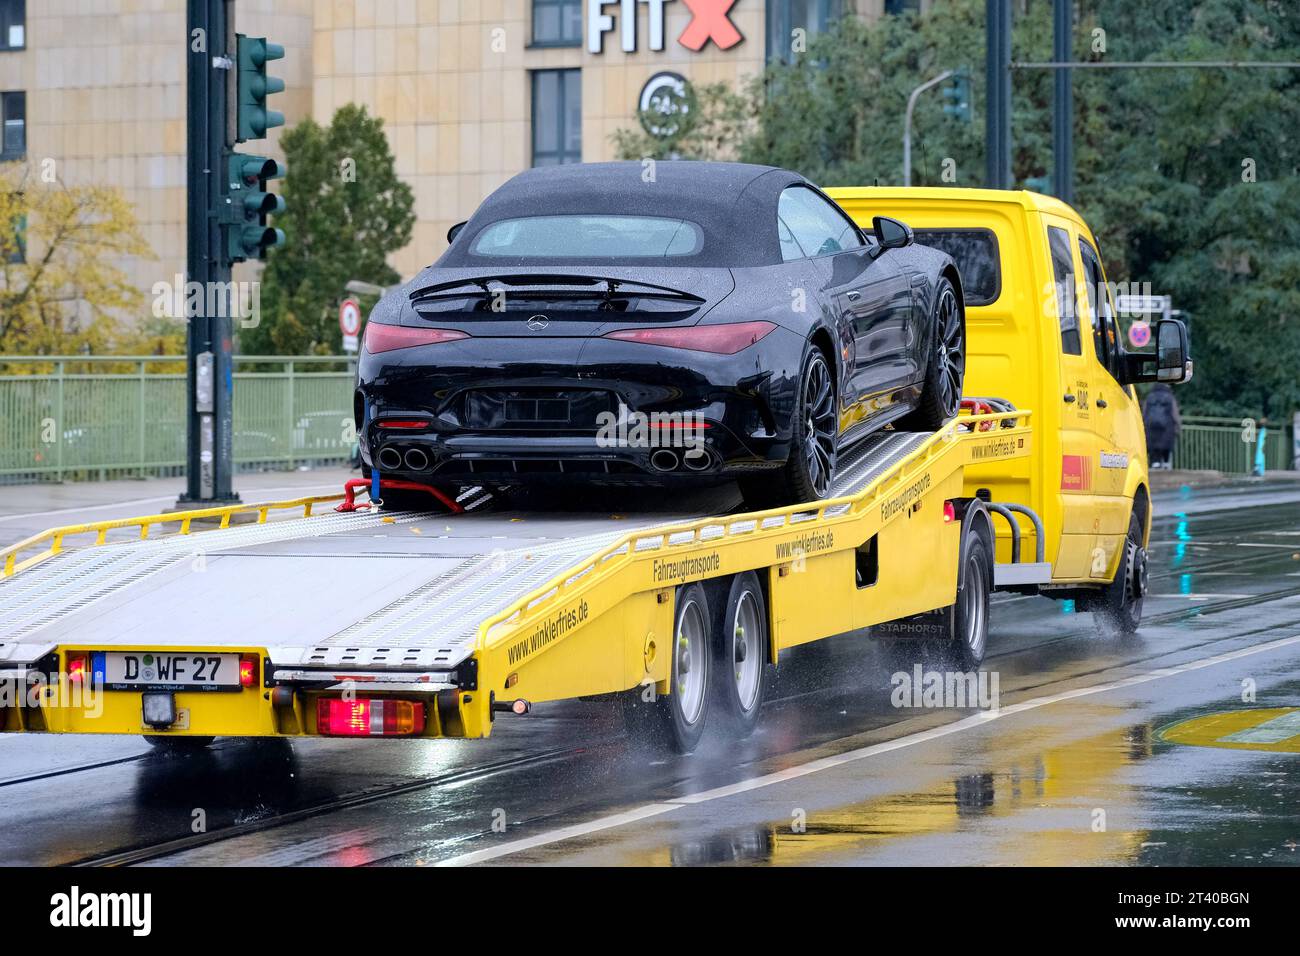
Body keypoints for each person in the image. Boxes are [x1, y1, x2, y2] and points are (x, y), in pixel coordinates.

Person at [1143, 383, 1181, 469]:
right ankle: (1166, 465)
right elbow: (1175, 414)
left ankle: (1154, 465)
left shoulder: (1149, 397)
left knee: (1153, 450)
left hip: (1151, 428)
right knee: (1166, 448)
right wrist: (1178, 427)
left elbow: (1144, 413)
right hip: (1167, 428)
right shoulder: (1170, 398)